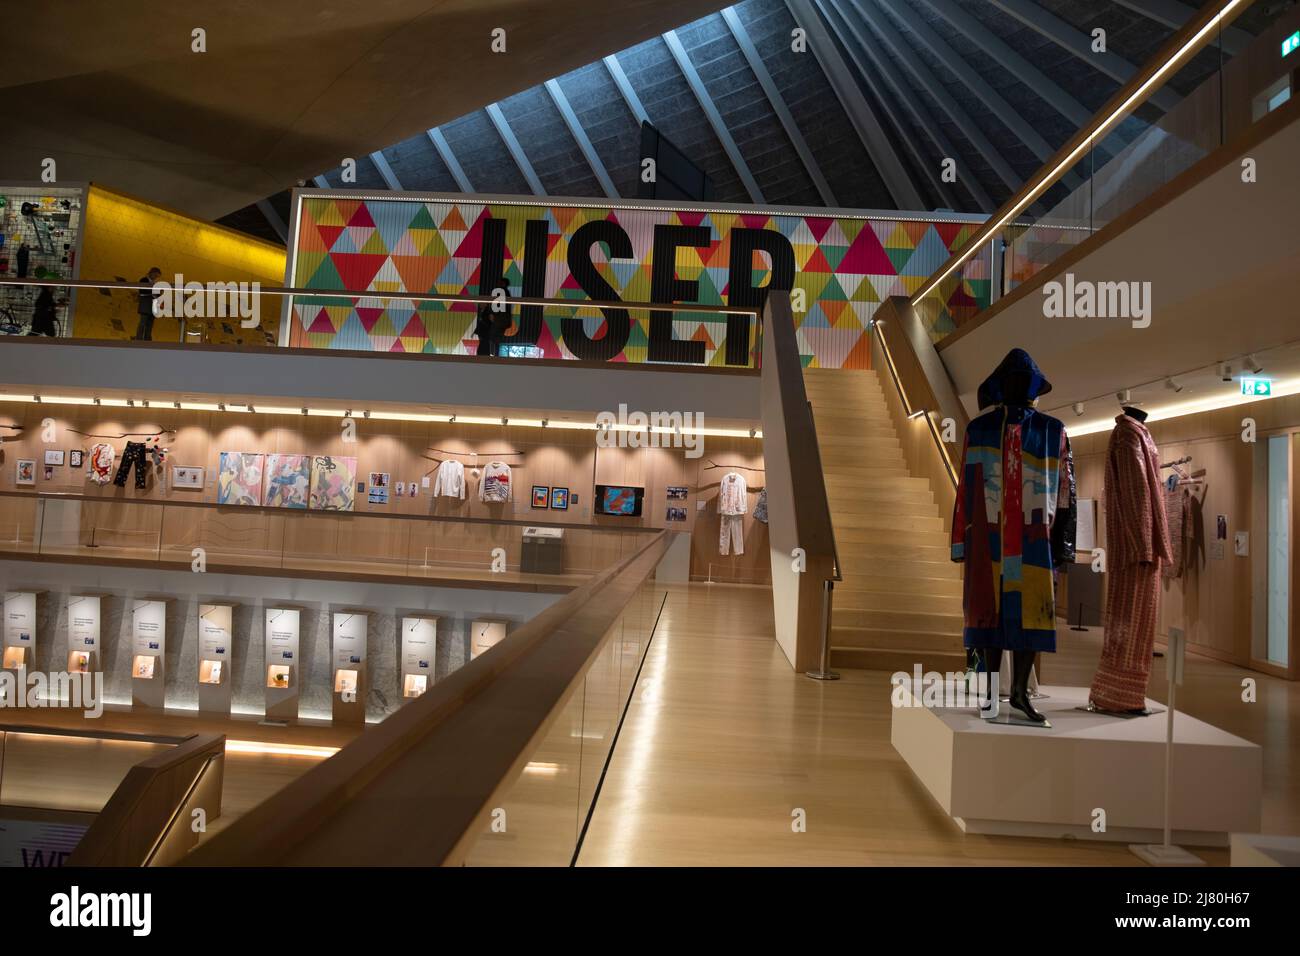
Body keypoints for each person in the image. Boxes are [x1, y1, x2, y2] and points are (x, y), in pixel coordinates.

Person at [474, 279, 511, 357]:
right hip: (501, 320)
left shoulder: (500, 292)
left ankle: (493, 355)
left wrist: (493, 314)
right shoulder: (505, 293)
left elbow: (498, 306)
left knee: (493, 339)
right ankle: (494, 355)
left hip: (498, 320)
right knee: (495, 339)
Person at [134, 267, 162, 340]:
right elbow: (143, 291)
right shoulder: (144, 280)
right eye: (155, 275)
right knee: (143, 322)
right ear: (151, 273)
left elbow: (157, 295)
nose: (156, 277)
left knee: (149, 324)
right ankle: (139, 338)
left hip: (152, 306)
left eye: (157, 276)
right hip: (145, 305)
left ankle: (147, 338)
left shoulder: (154, 284)